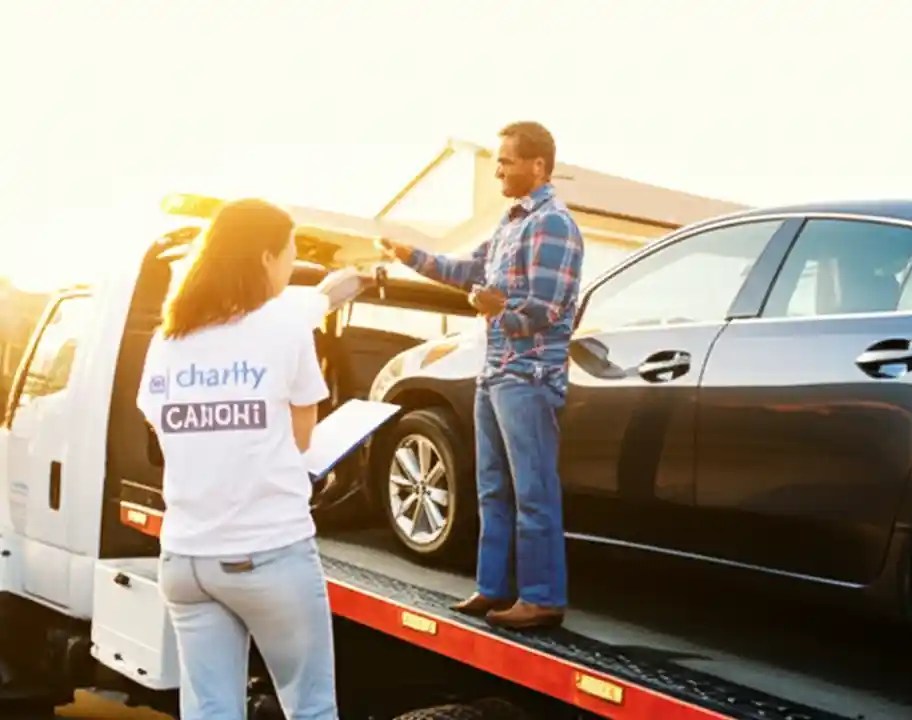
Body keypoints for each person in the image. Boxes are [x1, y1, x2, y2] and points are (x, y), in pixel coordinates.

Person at [136, 198, 369, 719]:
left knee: (210, 712)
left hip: (185, 559)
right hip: (266, 553)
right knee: (310, 710)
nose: (290, 265)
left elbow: (164, 426)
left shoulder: (168, 338)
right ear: (266, 257)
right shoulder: (283, 327)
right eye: (289, 253)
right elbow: (301, 436)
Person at [380, 121, 584, 630]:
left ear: (537, 165)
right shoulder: (510, 224)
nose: (497, 171)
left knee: (533, 490)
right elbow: (467, 271)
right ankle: (493, 589)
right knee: (491, 486)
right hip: (493, 374)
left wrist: (497, 310)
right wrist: (411, 257)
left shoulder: (553, 224)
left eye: (506, 161)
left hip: (528, 376)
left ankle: (541, 599)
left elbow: (547, 309)